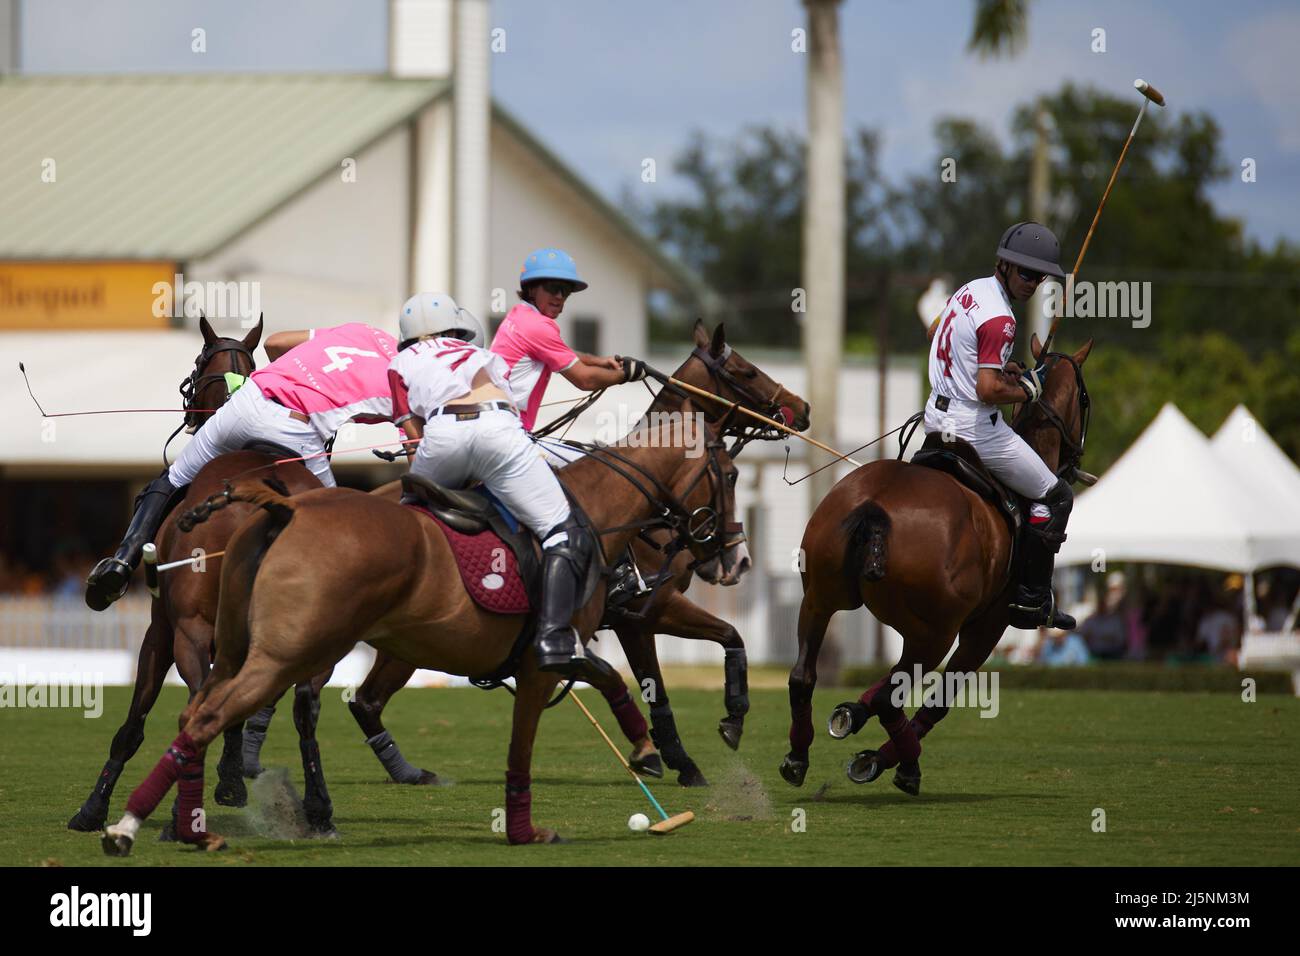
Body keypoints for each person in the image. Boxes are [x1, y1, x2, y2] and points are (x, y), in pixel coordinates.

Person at [85, 322, 399, 611]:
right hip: (297, 430)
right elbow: (420, 451)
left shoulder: (361, 331)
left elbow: (275, 343)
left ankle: (123, 562)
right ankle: (341, 605)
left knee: (173, 477)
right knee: (332, 523)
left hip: (249, 402)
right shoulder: (409, 379)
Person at [387, 291, 603, 681]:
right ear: (456, 327)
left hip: (442, 436)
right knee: (562, 533)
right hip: (500, 430)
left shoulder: (398, 363)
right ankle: (553, 638)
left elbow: (412, 438)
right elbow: (512, 404)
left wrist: (417, 485)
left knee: (403, 528)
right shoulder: (481, 355)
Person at [924, 221, 1076, 629]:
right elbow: (989, 390)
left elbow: (934, 331)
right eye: (1026, 273)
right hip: (974, 426)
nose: (1032, 282)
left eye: (1040, 276)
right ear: (1004, 266)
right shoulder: (1003, 320)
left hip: (935, 417)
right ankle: (1031, 599)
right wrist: (1027, 389)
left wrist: (994, 364)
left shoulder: (969, 290)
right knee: (1056, 495)